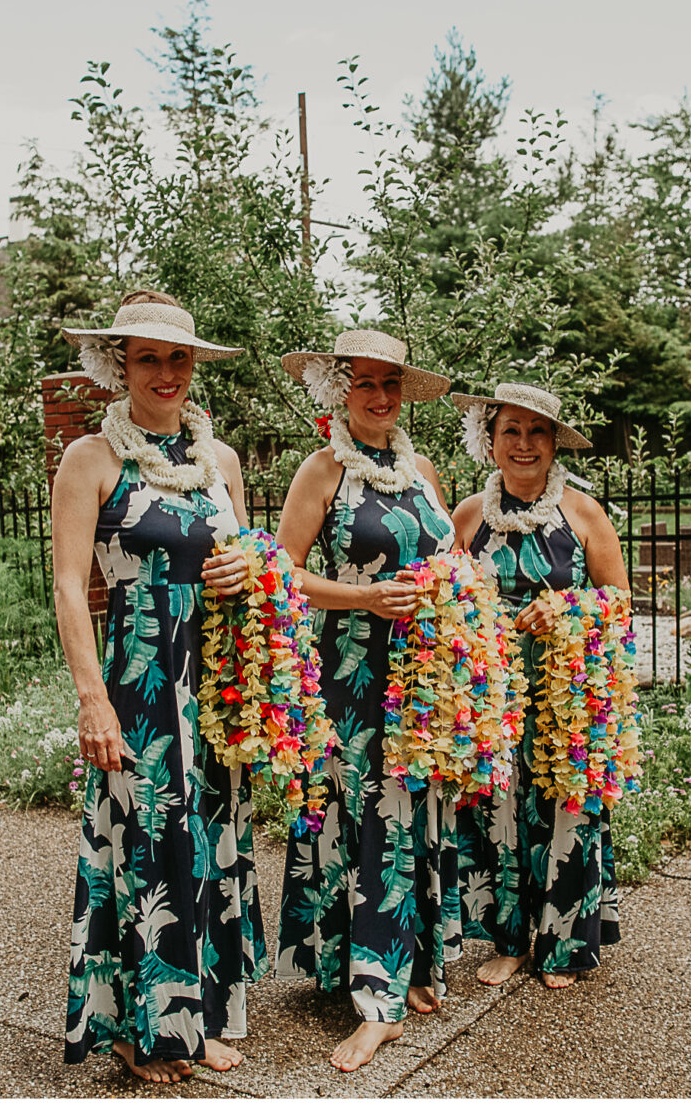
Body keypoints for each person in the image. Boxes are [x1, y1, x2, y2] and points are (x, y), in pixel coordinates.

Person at [52, 290, 265, 1083]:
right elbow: (71, 587)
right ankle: (147, 1026)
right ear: (121, 365)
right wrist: (91, 696)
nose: (167, 372)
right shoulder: (91, 458)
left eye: (179, 357)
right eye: (149, 357)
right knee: (145, 845)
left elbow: (247, 568)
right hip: (140, 683)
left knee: (208, 838)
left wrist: (250, 565)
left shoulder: (222, 461)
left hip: (215, 683)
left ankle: (198, 1015)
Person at [272, 329, 462, 1072]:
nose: (380, 397)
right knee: (369, 811)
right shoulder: (322, 471)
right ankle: (375, 998)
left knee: (411, 809)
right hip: (353, 672)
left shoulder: (424, 470)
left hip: (422, 675)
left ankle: (410, 960)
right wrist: (363, 597)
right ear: (338, 392)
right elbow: (282, 574)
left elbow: (449, 560)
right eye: (364, 384)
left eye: (390, 383)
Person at [447, 383, 629, 990]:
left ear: (554, 444)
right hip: (494, 690)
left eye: (537, 431)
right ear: (490, 442)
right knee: (499, 809)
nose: (524, 444)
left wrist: (569, 611)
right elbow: (450, 593)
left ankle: (566, 943)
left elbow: (622, 602)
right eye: (511, 431)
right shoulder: (470, 515)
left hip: (566, 693)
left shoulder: (582, 513)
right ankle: (509, 940)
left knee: (564, 810)